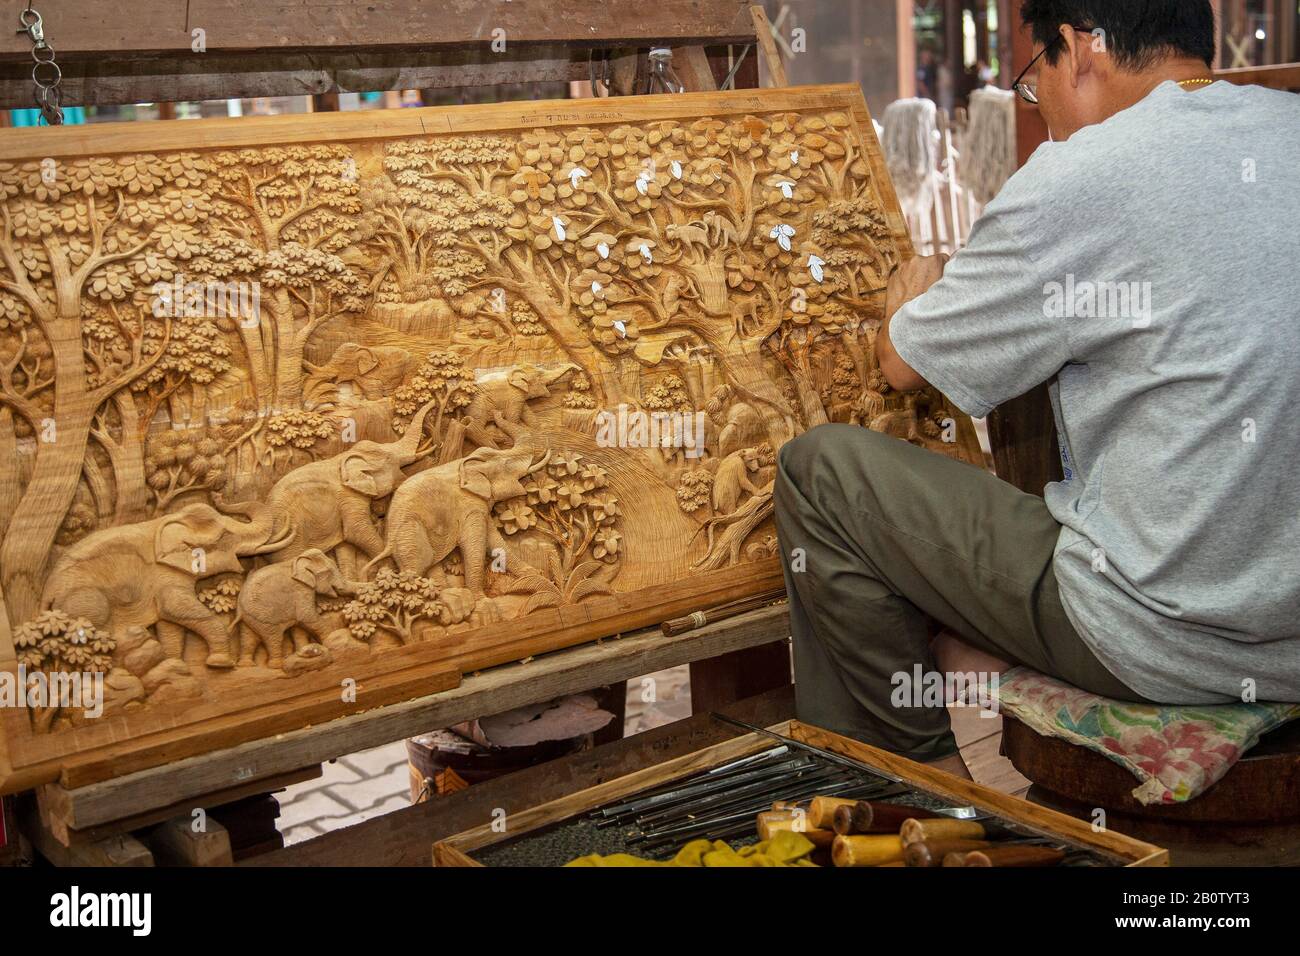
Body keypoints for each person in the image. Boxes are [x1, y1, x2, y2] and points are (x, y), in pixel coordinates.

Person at [774, 0, 1300, 779]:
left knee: (821, 474)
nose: (1041, 107)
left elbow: (901, 364)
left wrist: (910, 299)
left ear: (1081, 48)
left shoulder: (1086, 170)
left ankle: (917, 791)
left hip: (1172, 637)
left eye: (1033, 78)